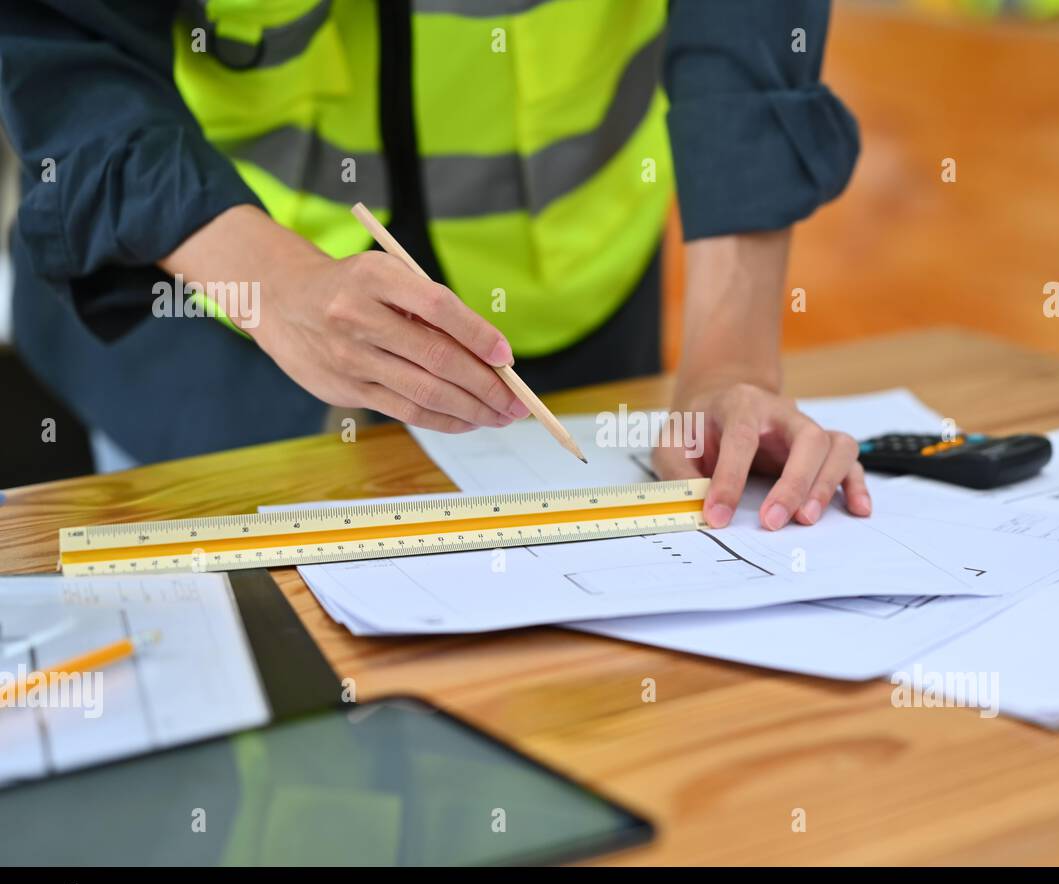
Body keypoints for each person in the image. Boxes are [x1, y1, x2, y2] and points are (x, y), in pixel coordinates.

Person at [0, 0, 869, 531]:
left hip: (575, 317)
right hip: (204, 320)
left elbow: (748, 30)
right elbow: (63, 43)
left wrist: (731, 363)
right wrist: (269, 284)